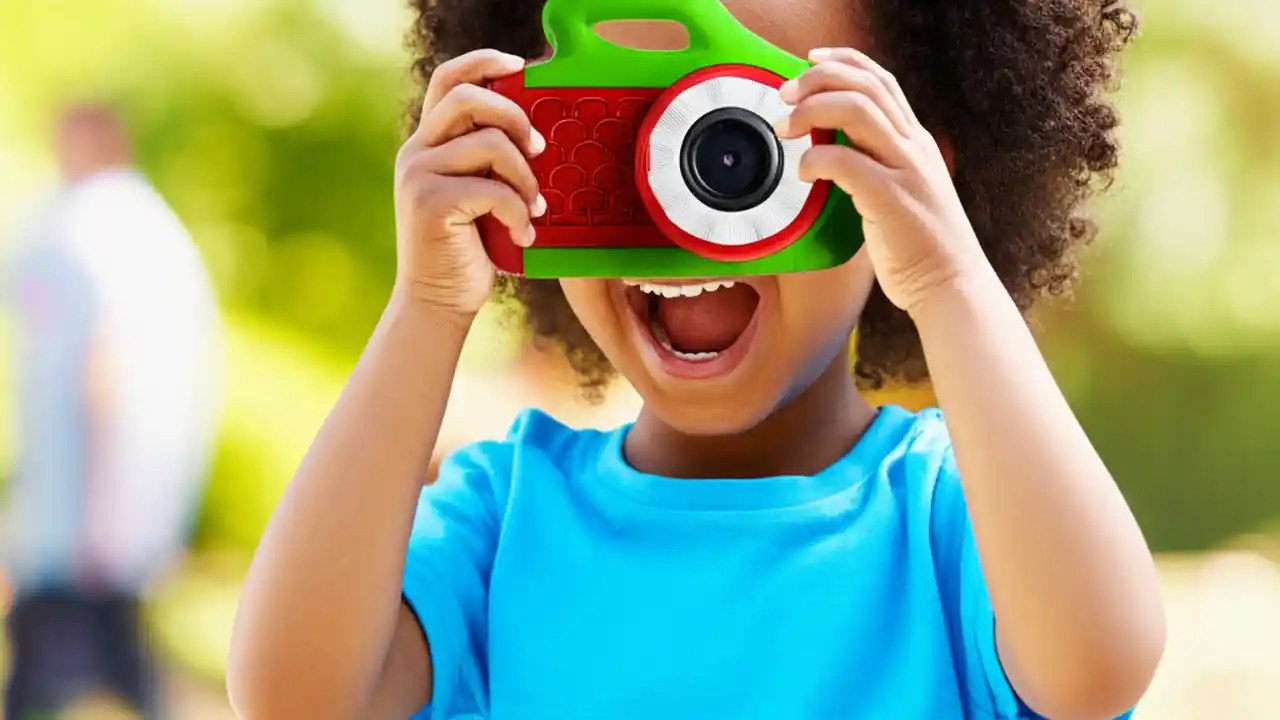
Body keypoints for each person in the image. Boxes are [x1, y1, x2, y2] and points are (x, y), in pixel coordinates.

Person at [229, 1, 1165, 718]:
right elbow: (294, 696)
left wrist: (948, 276)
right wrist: (427, 305)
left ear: (910, 175)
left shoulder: (964, 524)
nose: (684, 217)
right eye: (615, 133)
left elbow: (1098, 664)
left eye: (744, 136)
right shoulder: (501, 521)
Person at [3, 105, 222, 719]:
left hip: (84, 512)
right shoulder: (154, 227)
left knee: (61, 662)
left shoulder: (88, 224)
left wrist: (91, 517)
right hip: (118, 510)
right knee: (111, 656)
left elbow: (104, 370)